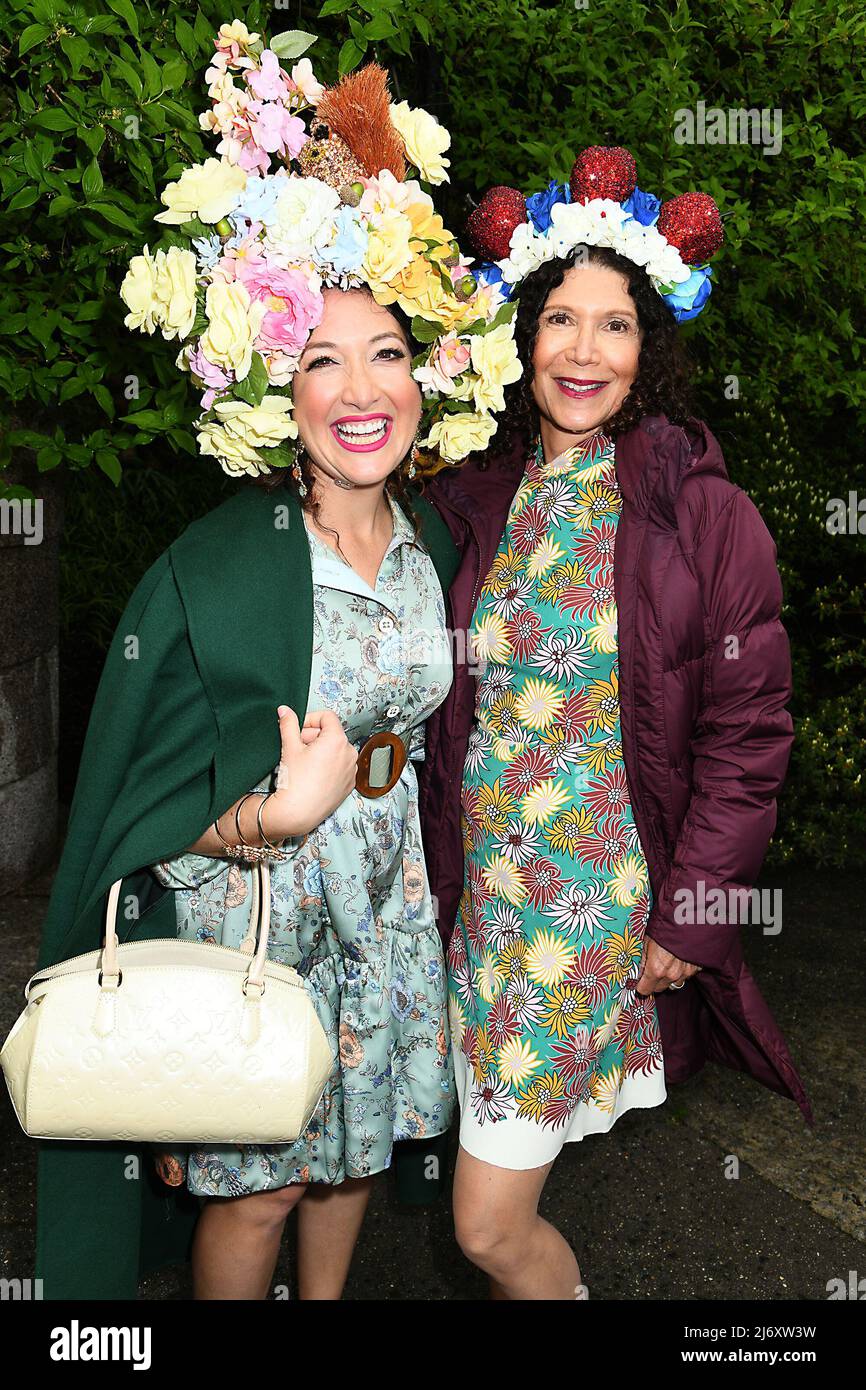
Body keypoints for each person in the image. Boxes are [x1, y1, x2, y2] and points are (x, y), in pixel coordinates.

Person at [30, 35, 510, 1300]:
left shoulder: (435, 541)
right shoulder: (225, 565)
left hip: (387, 905)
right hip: (265, 916)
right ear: (271, 390)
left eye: (390, 353)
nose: (362, 389)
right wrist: (265, 817)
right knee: (265, 1186)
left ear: (428, 375)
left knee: (351, 1170)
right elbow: (143, 806)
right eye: (320, 358)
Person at [419, 147, 813, 1300]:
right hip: (475, 904)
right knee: (490, 1201)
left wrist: (693, 917)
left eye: (613, 326)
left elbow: (748, 740)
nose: (582, 353)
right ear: (520, 337)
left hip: (590, 917)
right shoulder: (471, 497)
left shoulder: (702, 514)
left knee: (488, 1223)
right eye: (557, 321)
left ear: (651, 348)